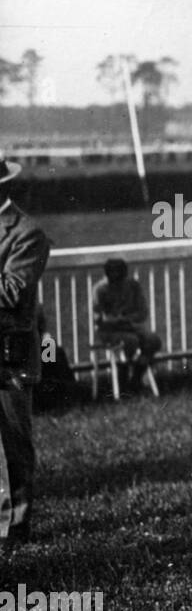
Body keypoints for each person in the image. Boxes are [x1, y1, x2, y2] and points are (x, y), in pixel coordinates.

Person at [0, 150, 51, 545]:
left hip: (9, 353)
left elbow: (13, 291)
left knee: (13, 441)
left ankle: (15, 526)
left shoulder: (26, 232)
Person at [92, 258, 162, 388]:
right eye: (112, 277)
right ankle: (122, 380)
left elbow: (142, 312)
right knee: (131, 341)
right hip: (108, 331)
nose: (116, 281)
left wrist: (126, 319)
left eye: (120, 277)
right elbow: (99, 319)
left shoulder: (133, 286)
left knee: (153, 340)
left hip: (130, 325)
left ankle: (136, 376)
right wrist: (114, 320)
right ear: (107, 275)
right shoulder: (100, 290)